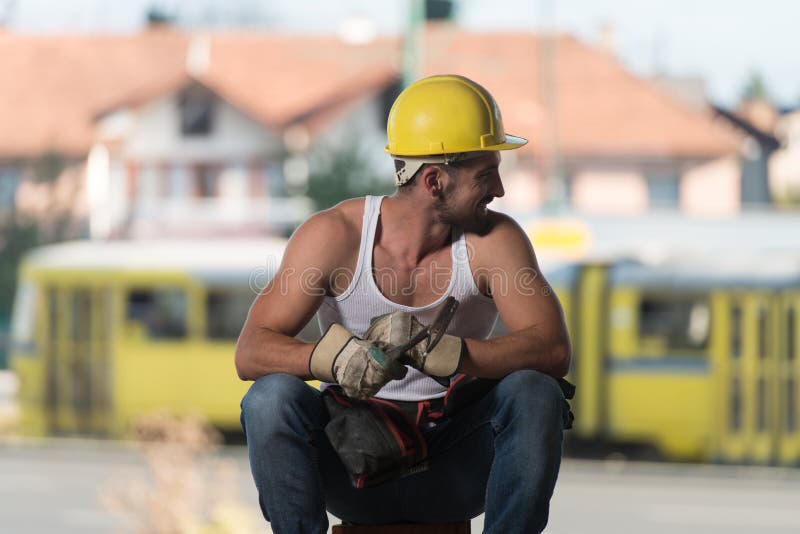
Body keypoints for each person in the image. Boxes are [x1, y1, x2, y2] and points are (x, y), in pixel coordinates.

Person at [235, 74, 572, 533]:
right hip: (356, 461)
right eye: (486, 173)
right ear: (434, 180)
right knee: (269, 398)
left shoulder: (496, 240)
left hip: (453, 465)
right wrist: (331, 359)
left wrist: (458, 354)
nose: (499, 189)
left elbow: (553, 349)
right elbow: (251, 351)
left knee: (536, 390)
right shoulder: (334, 236)